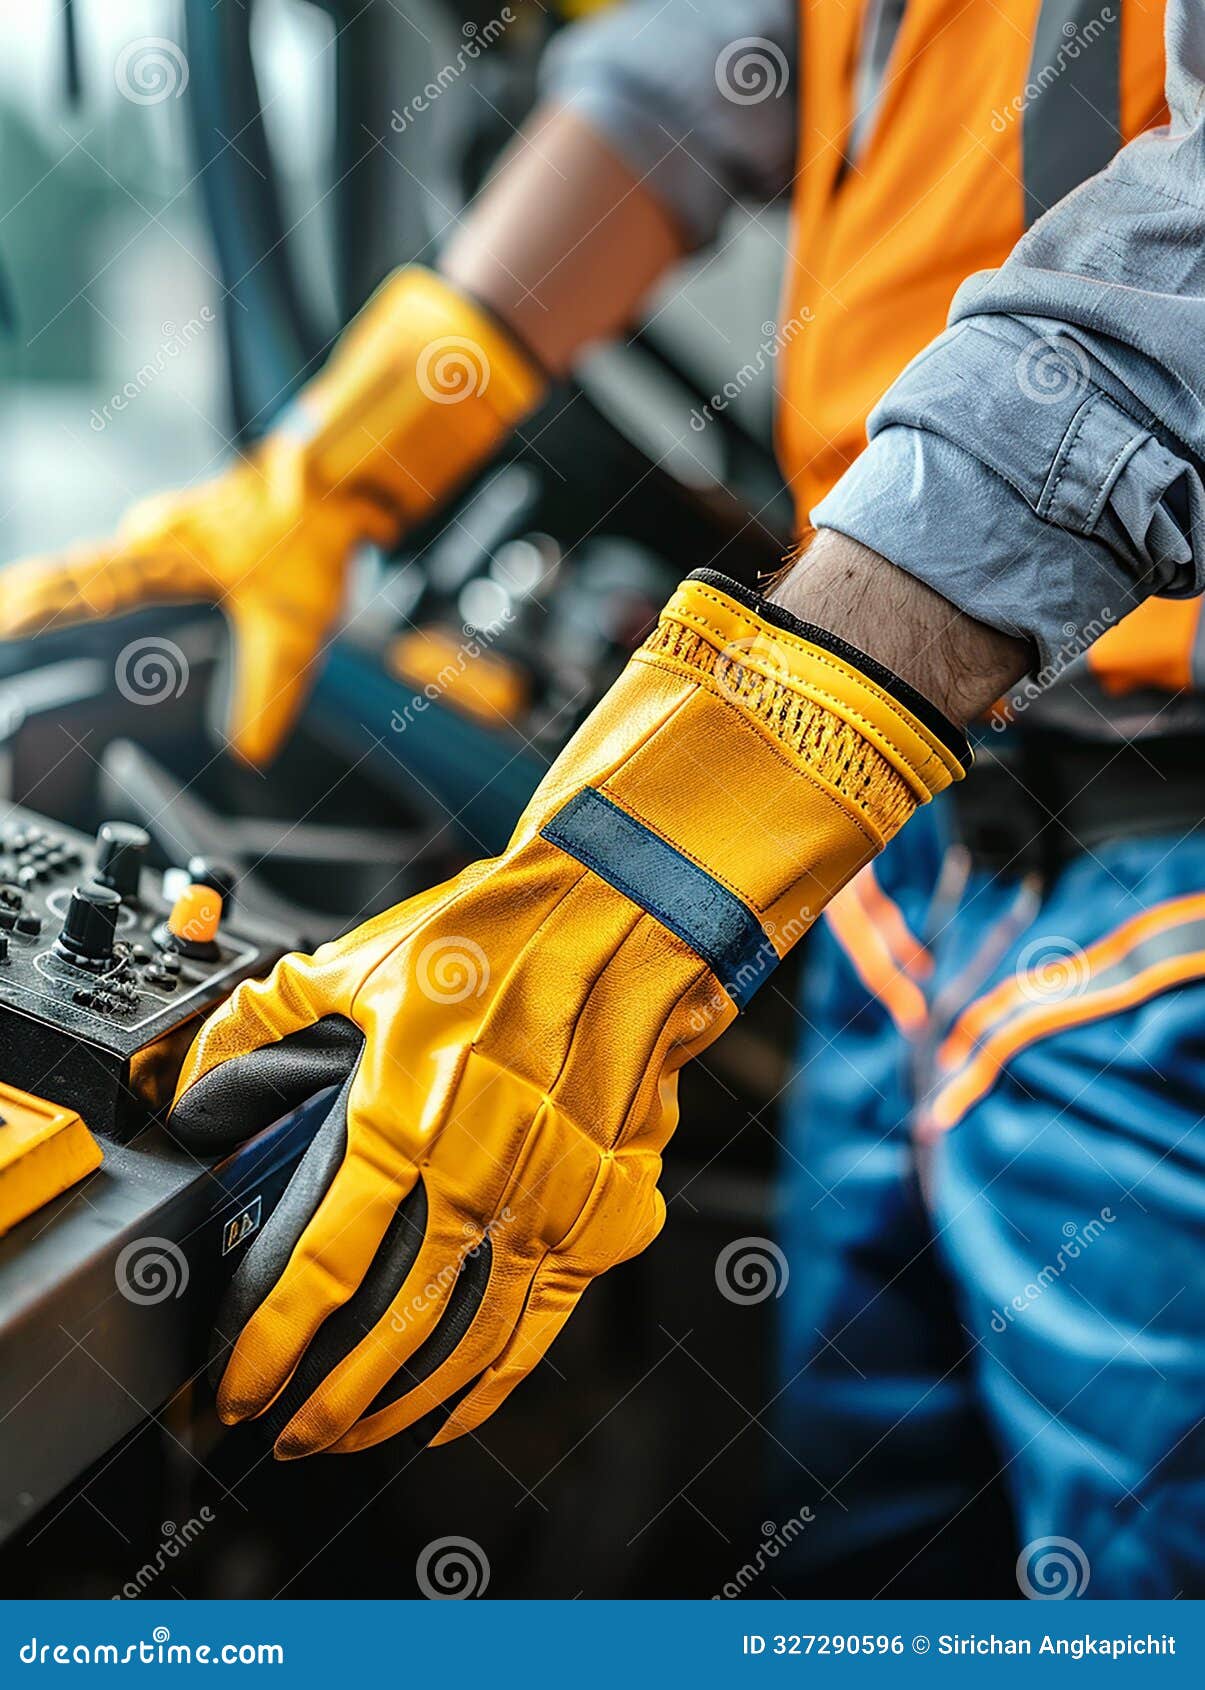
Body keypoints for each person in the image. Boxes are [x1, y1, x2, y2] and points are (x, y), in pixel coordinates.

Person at [3, 0, 1203, 1597]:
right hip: (907, 842)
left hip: (1159, 889)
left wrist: (654, 862)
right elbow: (701, 75)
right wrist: (335, 469)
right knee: (858, 1576)